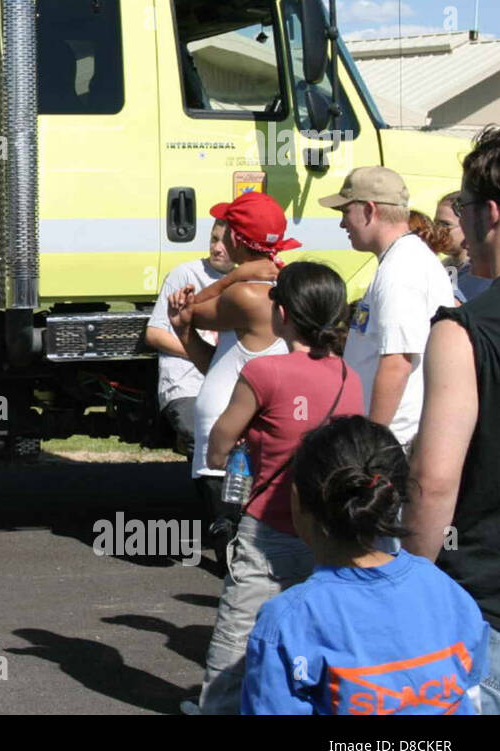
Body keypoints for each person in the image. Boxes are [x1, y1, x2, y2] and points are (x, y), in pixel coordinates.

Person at [193, 262, 364, 714]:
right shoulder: (350, 377)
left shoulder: (265, 373)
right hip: (326, 531)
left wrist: (222, 460)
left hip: (269, 524)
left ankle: (220, 709)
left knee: (239, 628)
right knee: (317, 628)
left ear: (283, 312)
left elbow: (221, 438)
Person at [243, 415, 490, 715]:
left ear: (297, 500)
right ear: (392, 498)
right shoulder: (448, 592)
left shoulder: (288, 622)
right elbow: (471, 695)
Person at [406, 125, 500, 714]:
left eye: (463, 208)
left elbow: (431, 481)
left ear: (490, 211)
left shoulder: (463, 330)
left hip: (485, 602)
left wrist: (407, 582)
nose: (459, 225)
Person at [168, 193, 299, 518]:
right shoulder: (286, 280)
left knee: (233, 530)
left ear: (237, 238)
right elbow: (219, 363)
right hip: (261, 422)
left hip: (227, 434)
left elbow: (191, 311)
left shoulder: (243, 292)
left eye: (226, 229)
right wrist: (185, 335)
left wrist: (233, 276)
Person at [319, 166, 455, 450]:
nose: (343, 224)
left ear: (369, 210)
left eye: (345, 212)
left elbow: (397, 363)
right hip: (392, 437)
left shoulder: (401, 271)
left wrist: (372, 443)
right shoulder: (403, 261)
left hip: (394, 441)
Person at [145, 219, 234, 457]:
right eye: (214, 239)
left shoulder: (251, 281)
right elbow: (154, 333)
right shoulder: (185, 275)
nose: (217, 248)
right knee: (201, 436)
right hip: (188, 382)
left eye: (225, 242)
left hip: (233, 382)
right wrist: (209, 355)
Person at [435, 190, 490, 303]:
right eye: (435, 223)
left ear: (467, 224)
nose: (437, 230)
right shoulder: (442, 266)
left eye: (445, 224)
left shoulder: (481, 273)